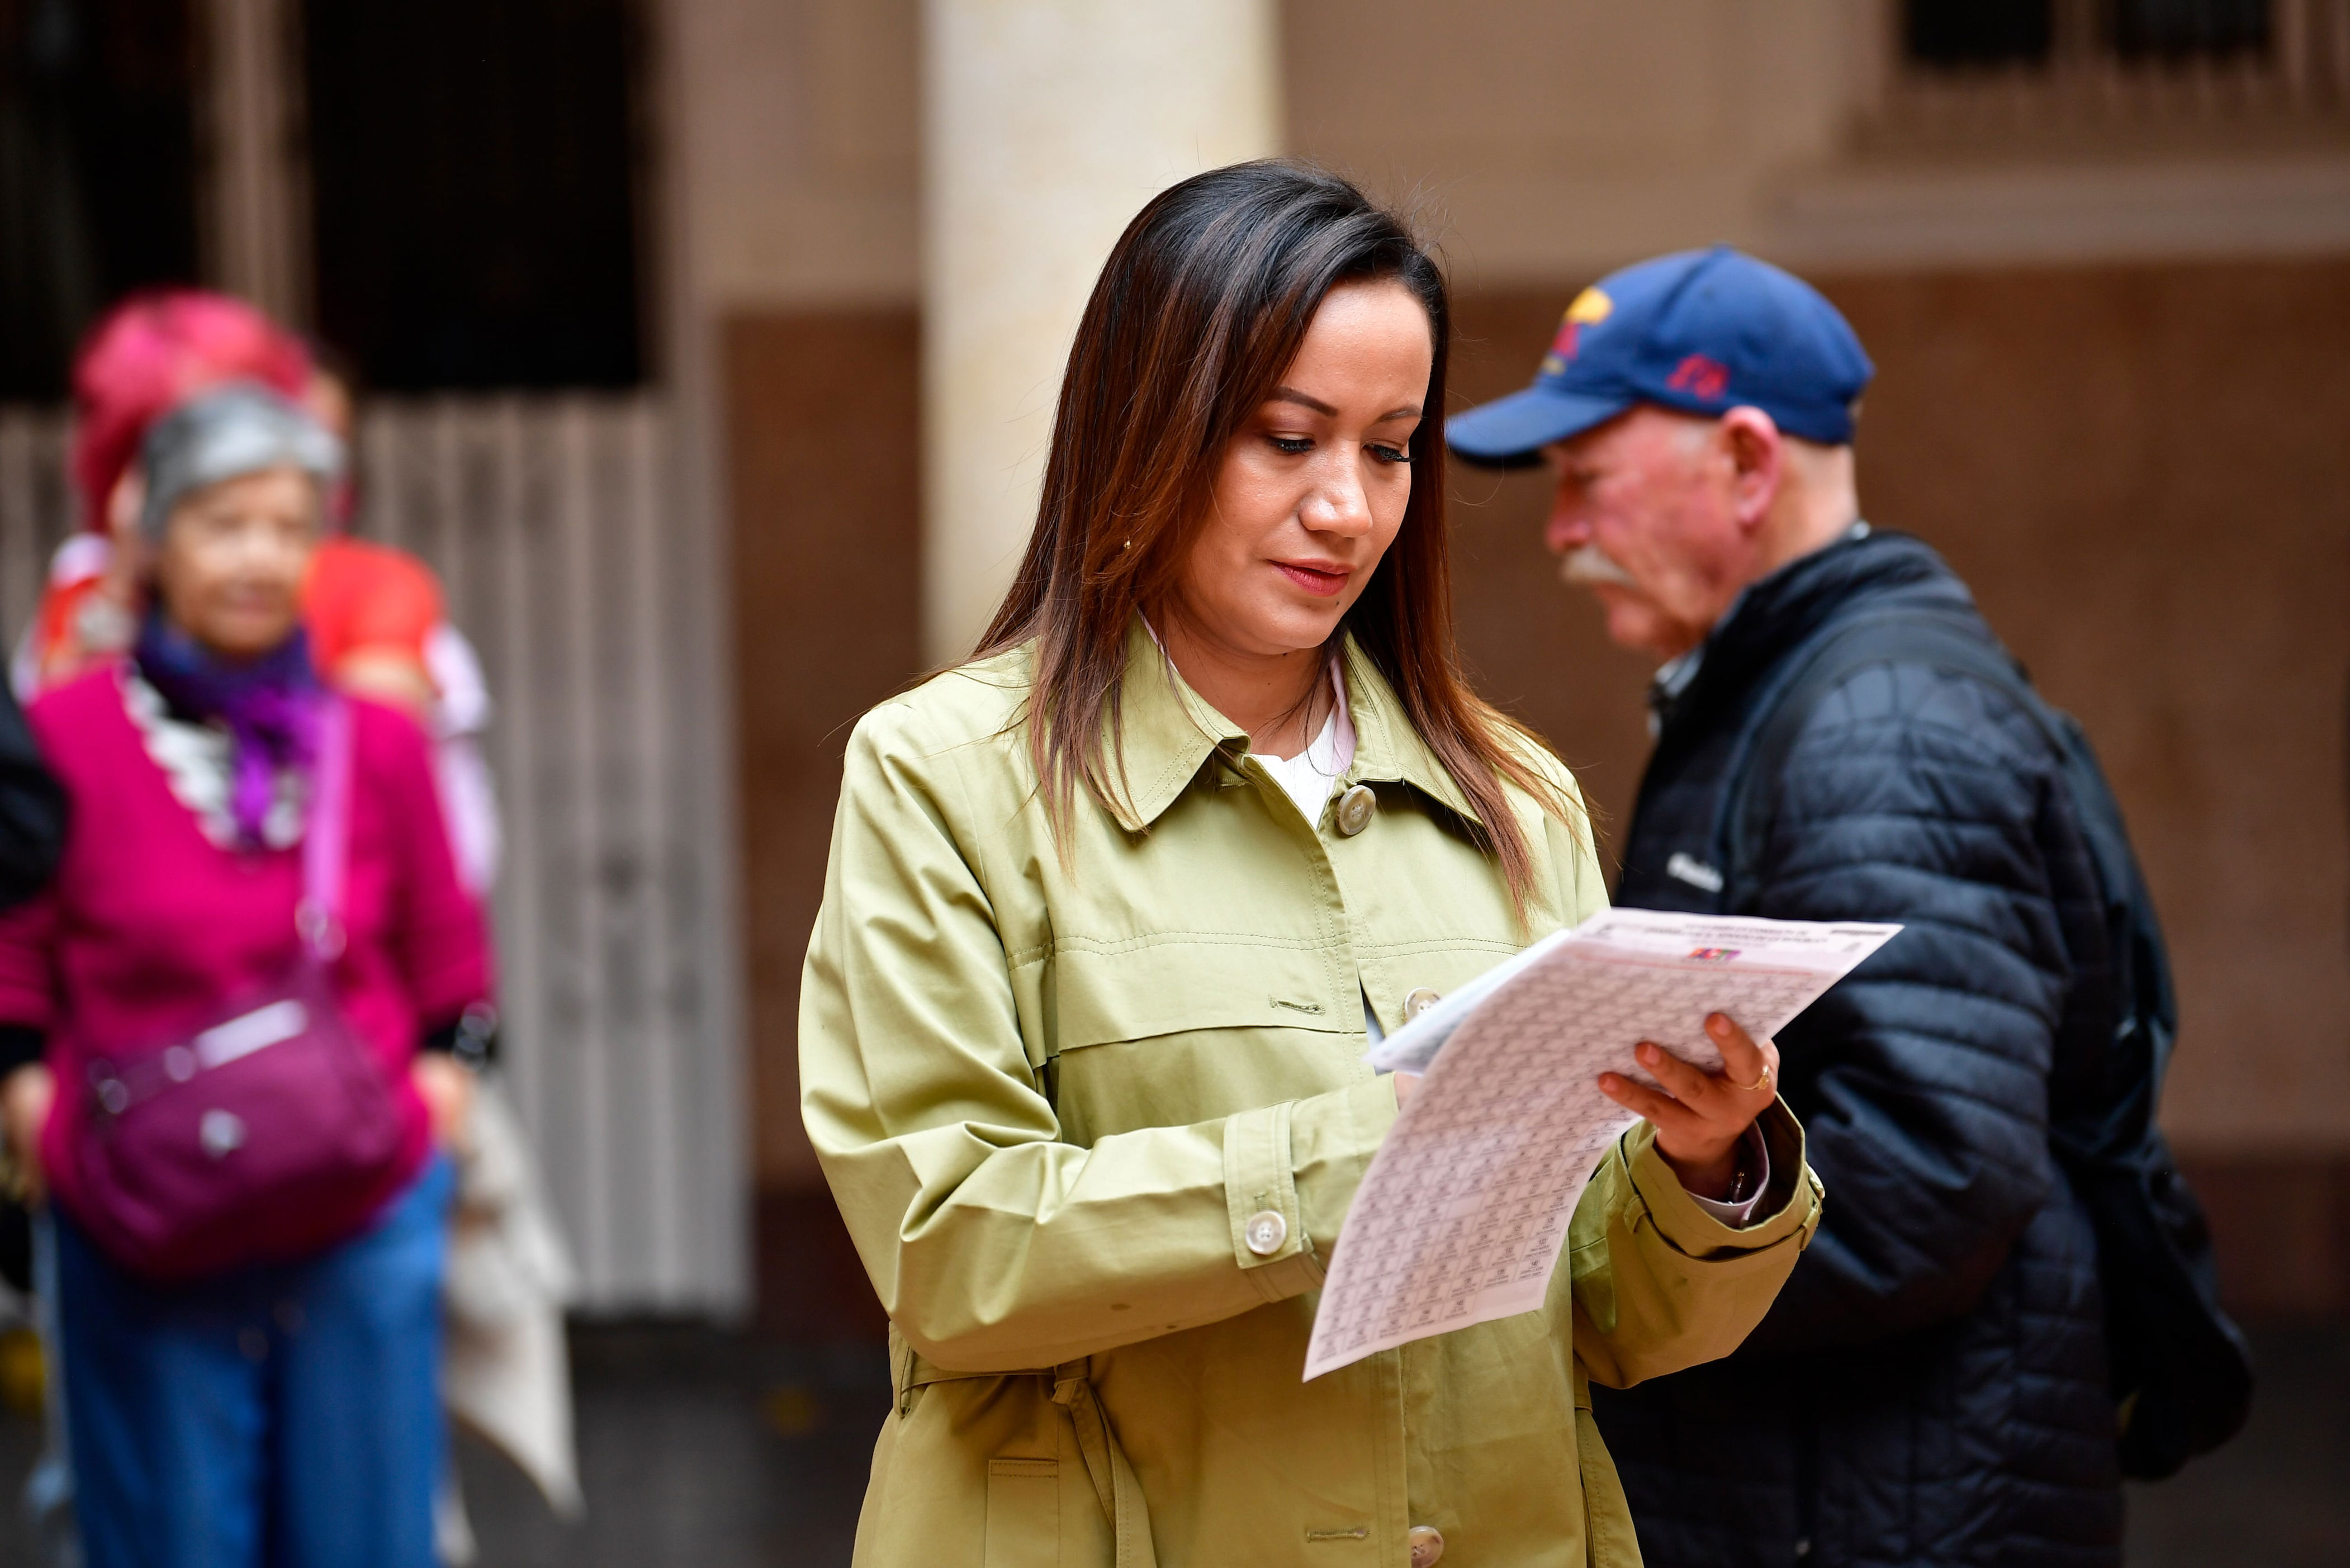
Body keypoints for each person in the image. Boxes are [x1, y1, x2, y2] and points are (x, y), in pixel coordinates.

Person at [800, 164, 1824, 1568]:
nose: (1345, 507)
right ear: (1144, 429)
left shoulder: (1515, 797)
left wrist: (1708, 1166)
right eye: (1286, 438)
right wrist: (1366, 1142)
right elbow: (954, 1260)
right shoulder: (945, 776)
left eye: (1390, 447)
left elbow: (1604, 1316)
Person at [1447, 247, 2126, 1566]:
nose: (1560, 531)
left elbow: (1936, 1174)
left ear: (1747, 464)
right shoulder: (1788, 688)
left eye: (1586, 478)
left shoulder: (1876, 727)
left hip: (1877, 1512)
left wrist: (1582, 1242)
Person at [0, 383, 491, 1567]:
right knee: (169, 1538)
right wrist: (27, 1091)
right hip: (139, 1214)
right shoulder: (60, 733)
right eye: (224, 522)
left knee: (364, 1536)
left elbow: (449, 944)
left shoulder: (377, 738)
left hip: (357, 1207)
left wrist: (441, 1085)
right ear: (151, 540)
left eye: (288, 525)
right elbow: (14, 950)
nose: (260, 555)